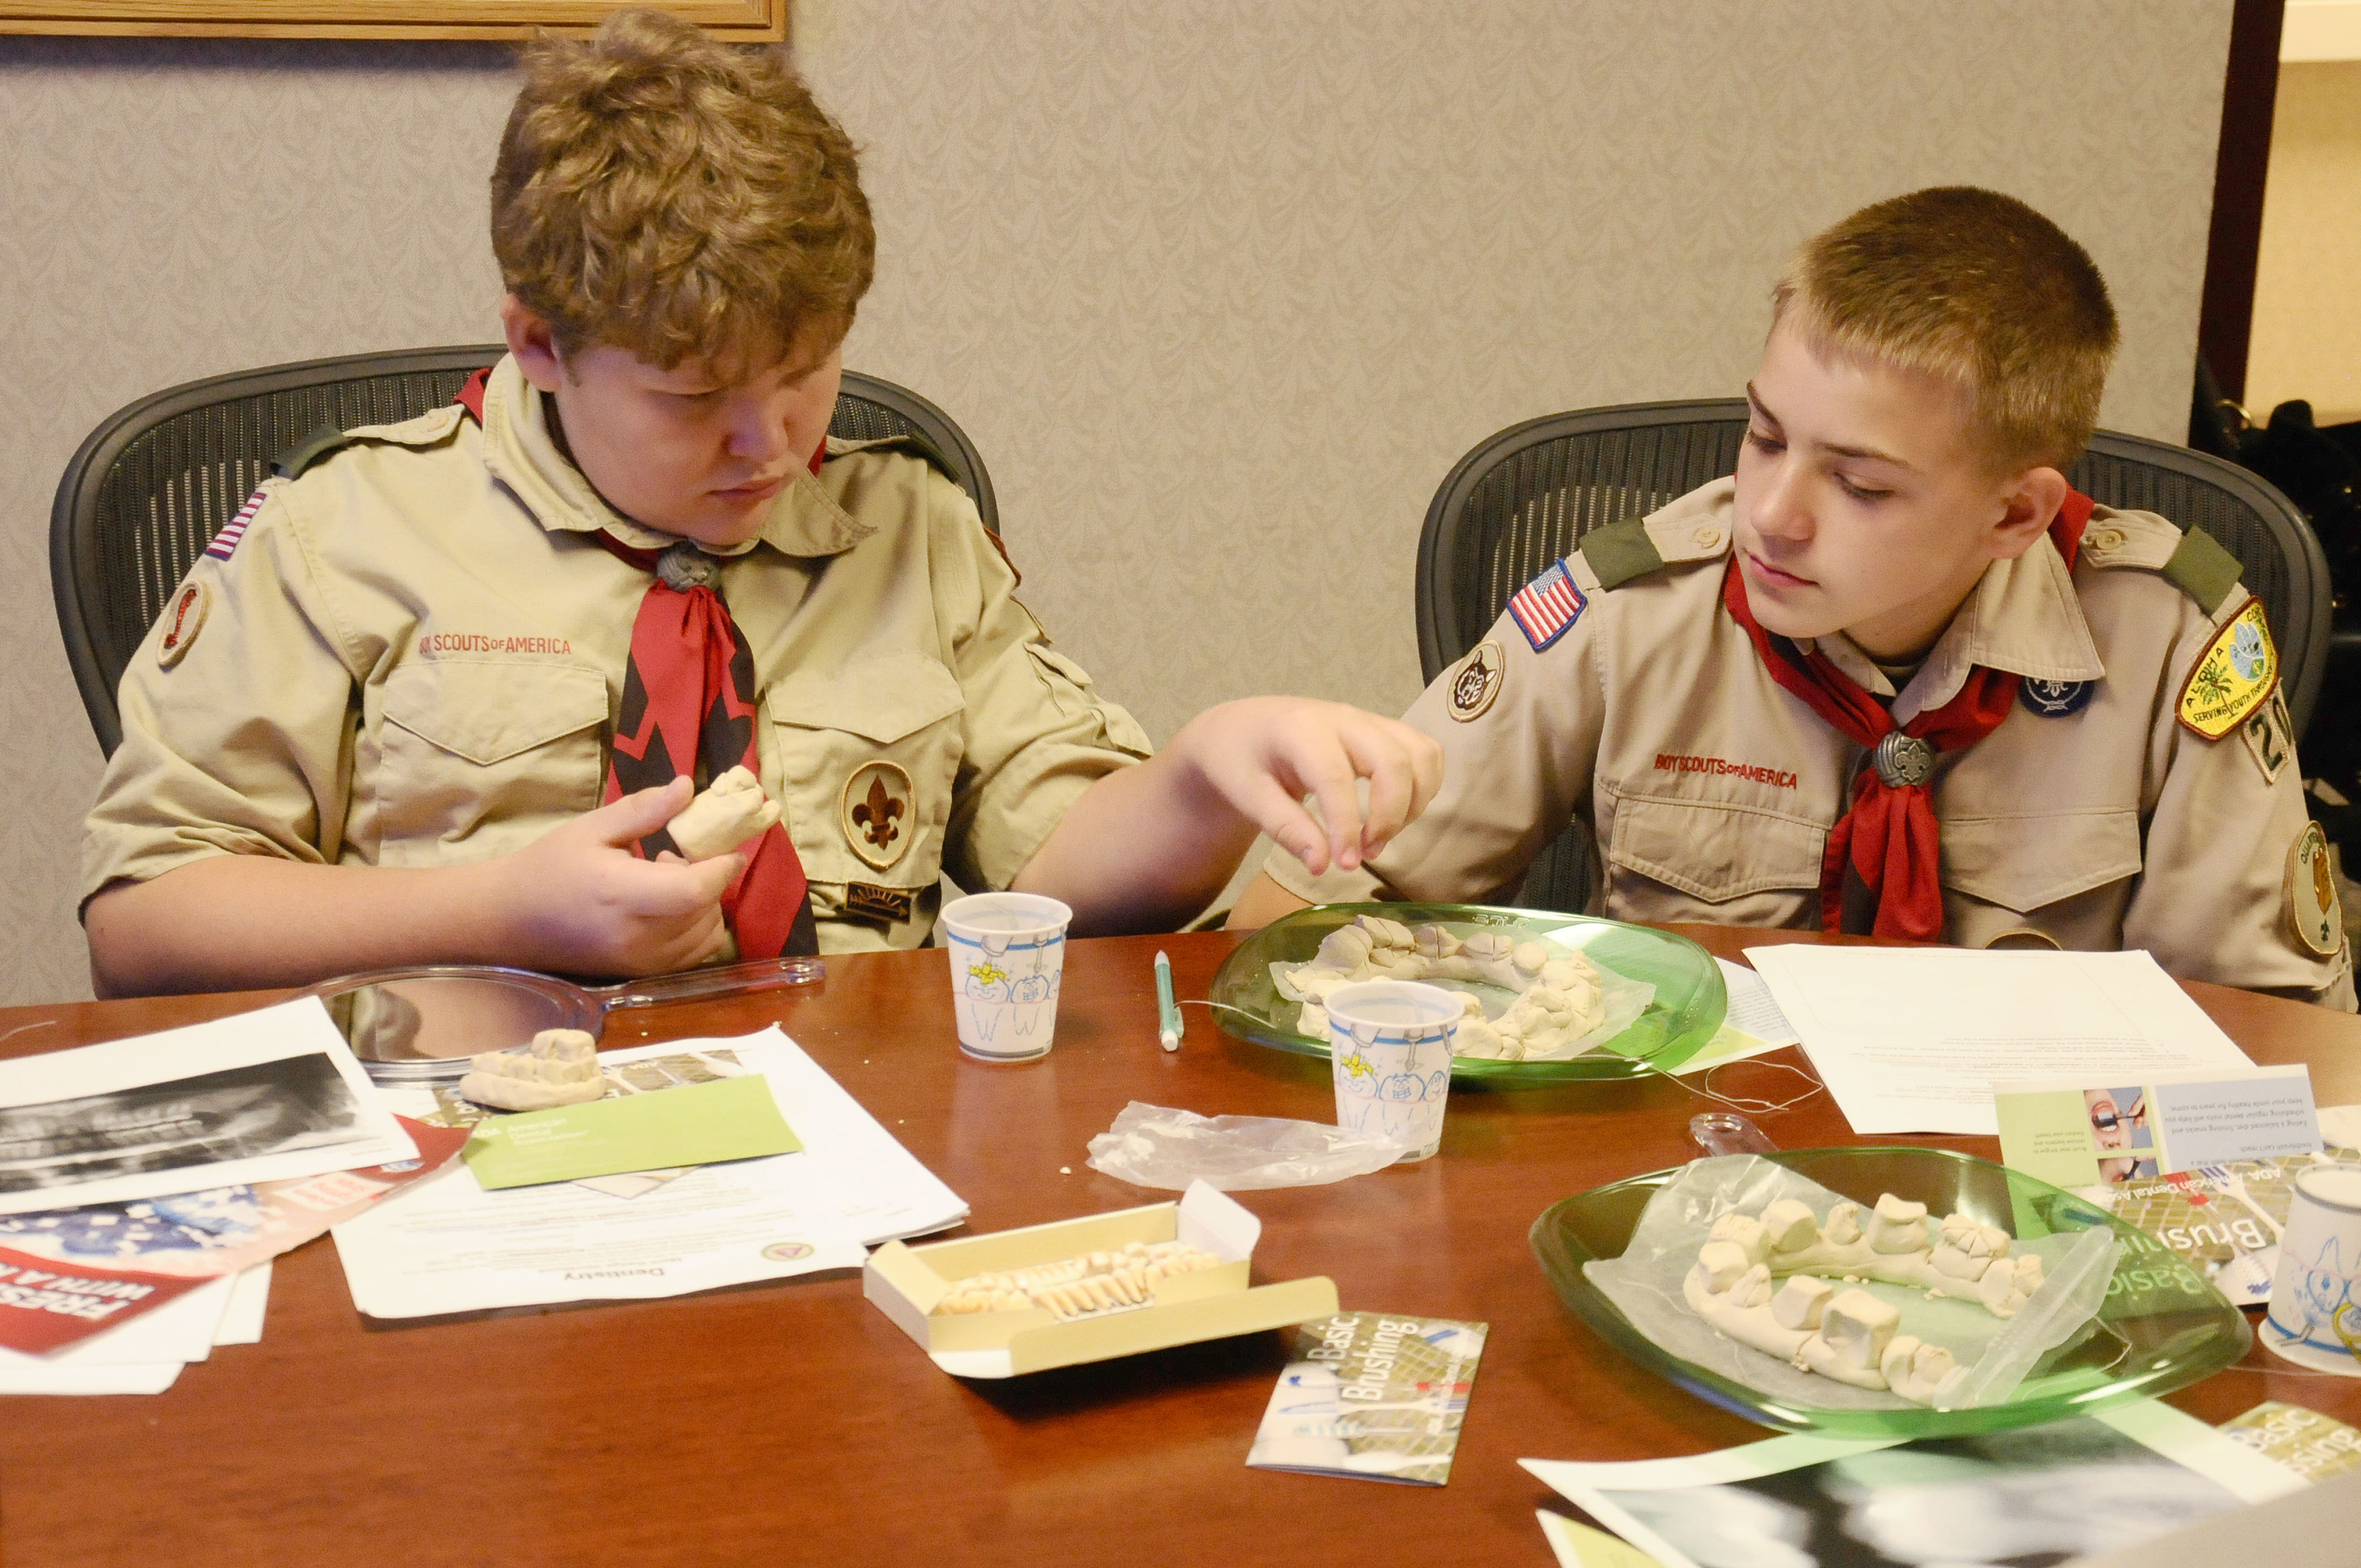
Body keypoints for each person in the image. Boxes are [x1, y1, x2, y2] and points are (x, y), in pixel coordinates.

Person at [79, 9, 1437, 998]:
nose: (770, 447)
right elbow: (147, 919)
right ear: (538, 344)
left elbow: (1063, 869)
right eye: (689, 402)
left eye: (805, 377)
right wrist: (500, 907)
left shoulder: (906, 525)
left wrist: (1204, 768)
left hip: (855, 1139)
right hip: (470, 1140)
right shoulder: (348, 531)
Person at [1232, 187, 2354, 1010]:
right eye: (1763, 434)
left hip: (2027, 1200)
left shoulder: (2171, 642)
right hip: (1674, 1187)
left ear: (2013, 514)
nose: (1769, 510)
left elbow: (2267, 1031)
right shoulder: (1635, 605)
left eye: (1859, 483)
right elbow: (1305, 926)